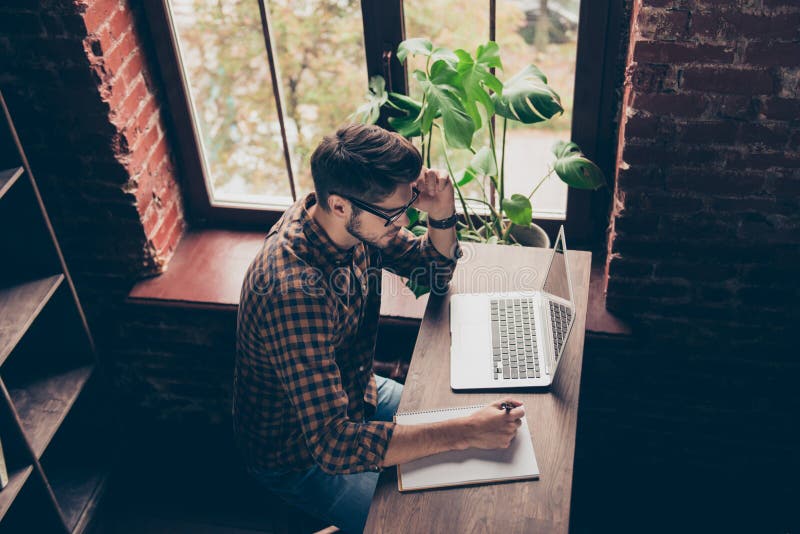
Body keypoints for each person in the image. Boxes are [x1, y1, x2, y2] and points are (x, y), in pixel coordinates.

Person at [234, 124, 525, 533]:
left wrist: (441, 212)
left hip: (358, 389)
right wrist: (464, 433)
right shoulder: (293, 290)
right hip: (300, 455)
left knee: (462, 427)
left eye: (406, 204)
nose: (404, 220)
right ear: (339, 205)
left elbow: (433, 272)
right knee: (423, 521)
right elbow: (335, 445)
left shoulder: (349, 222)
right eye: (393, 213)